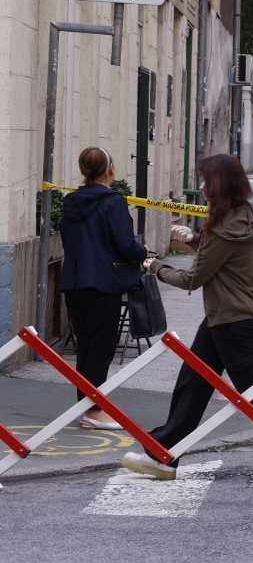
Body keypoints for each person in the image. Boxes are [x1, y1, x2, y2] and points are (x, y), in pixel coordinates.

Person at [120, 153, 253, 484]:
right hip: (227, 316)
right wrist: (192, 240)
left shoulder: (226, 228)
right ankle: (163, 453)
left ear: (218, 185)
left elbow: (193, 280)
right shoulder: (243, 215)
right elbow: (219, 260)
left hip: (231, 320)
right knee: (193, 383)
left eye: (205, 181)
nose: (201, 187)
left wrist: (154, 265)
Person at [58, 147, 145, 430]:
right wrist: (142, 252)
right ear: (110, 170)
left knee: (86, 346)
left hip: (74, 281)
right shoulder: (113, 202)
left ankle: (87, 404)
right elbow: (124, 243)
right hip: (104, 283)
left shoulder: (71, 201)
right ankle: (94, 410)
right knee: (101, 348)